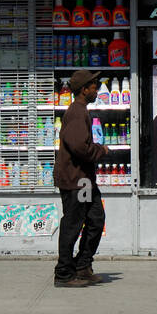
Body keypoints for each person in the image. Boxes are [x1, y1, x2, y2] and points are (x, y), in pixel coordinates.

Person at [53, 70, 121, 287]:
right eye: (93, 86)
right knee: (73, 224)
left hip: (84, 180)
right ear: (84, 89)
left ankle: (83, 266)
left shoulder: (81, 110)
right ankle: (64, 274)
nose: (97, 89)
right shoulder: (76, 112)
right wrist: (102, 151)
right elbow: (79, 148)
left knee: (96, 220)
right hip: (76, 180)